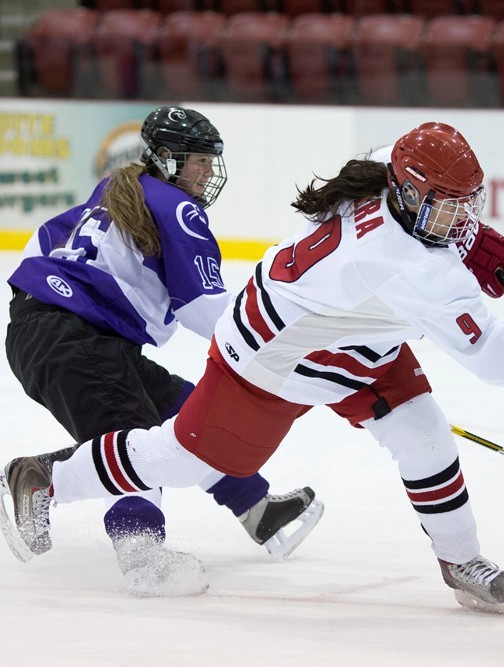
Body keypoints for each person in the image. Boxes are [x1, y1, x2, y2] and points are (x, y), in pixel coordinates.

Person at [0, 121, 504, 614]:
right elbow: (492, 355)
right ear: (408, 194)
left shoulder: (386, 174)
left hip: (356, 337)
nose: (460, 218)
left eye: (467, 205)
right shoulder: (406, 265)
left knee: (424, 430)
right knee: (186, 460)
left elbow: (406, 189)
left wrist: (468, 237)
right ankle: (47, 476)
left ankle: (460, 560)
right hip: (273, 358)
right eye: (449, 207)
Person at [2, 106, 324, 596]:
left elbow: (41, 244)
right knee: (130, 438)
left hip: (44, 330)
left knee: (186, 409)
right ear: (168, 159)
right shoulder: (176, 207)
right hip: (75, 336)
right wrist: (278, 354)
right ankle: (140, 555)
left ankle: (256, 507)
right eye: (200, 161)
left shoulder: (119, 187)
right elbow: (206, 310)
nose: (209, 172)